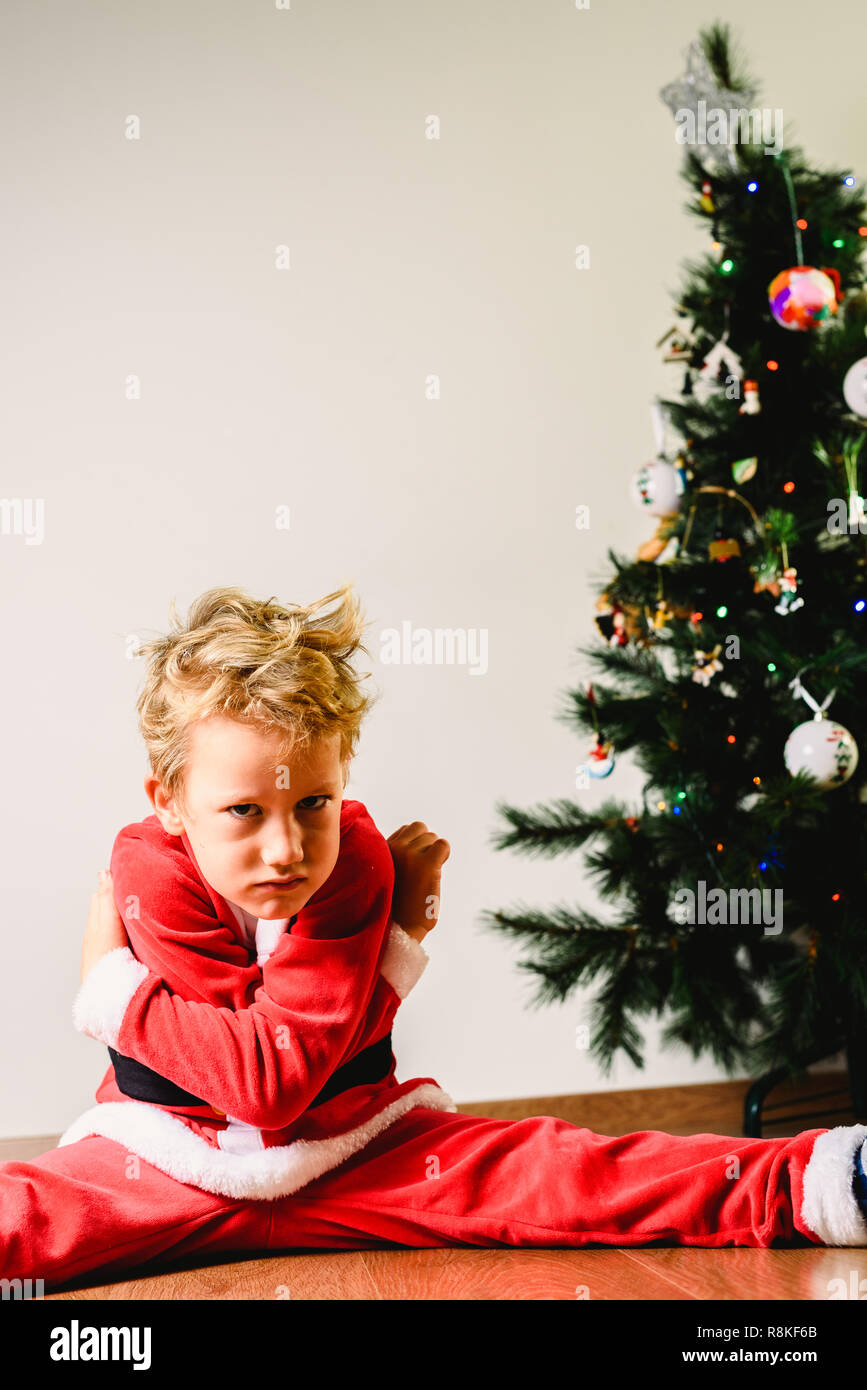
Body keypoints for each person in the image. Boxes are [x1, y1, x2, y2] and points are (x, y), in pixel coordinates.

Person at [2, 584, 866, 1291]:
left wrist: (115, 994)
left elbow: (274, 1082)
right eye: (243, 811)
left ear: (341, 778)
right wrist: (384, 959)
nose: (286, 848)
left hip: (353, 1149)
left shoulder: (356, 857)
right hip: (162, 1160)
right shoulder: (147, 869)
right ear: (168, 802)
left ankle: (820, 1180)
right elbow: (256, 1085)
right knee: (28, 1214)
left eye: (312, 802)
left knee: (562, 1169)